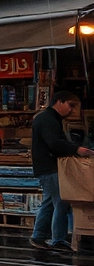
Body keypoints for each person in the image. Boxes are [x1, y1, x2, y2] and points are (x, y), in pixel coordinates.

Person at [31, 90, 94, 250]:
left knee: (50, 203)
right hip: (49, 167)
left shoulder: (48, 118)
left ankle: (38, 236)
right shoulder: (48, 119)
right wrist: (77, 149)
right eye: (70, 105)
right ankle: (57, 239)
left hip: (46, 167)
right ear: (59, 102)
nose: (72, 110)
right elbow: (54, 143)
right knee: (61, 201)